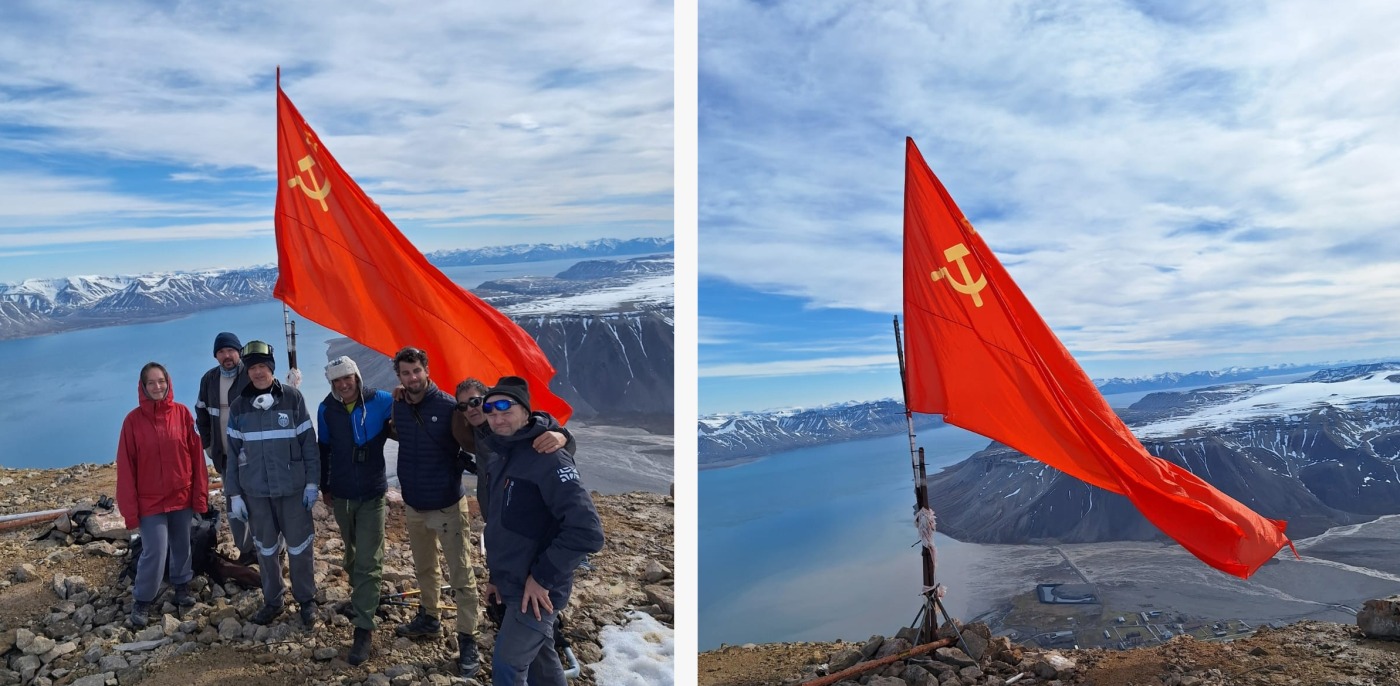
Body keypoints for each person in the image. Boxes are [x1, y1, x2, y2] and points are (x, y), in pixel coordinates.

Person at [479, 376, 603, 686]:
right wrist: (495, 577)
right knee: (541, 663)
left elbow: (587, 531)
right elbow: (503, 526)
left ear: (525, 411)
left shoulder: (548, 456)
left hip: (537, 590)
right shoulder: (501, 456)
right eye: (490, 412)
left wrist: (542, 578)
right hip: (512, 583)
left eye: (506, 410)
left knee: (507, 665)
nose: (497, 419)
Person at [390, 346, 482, 677]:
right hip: (414, 504)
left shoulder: (447, 407)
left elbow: (473, 442)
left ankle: (468, 637)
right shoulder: (399, 404)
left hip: (446, 504)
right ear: (399, 377)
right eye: (405, 373)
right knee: (425, 568)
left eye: (416, 371)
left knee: (461, 573)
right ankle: (429, 617)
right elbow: (397, 432)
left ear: (427, 370)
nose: (412, 378)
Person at [225, 340, 320, 629]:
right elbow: (233, 455)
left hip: (292, 490)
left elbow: (309, 444)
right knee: (265, 549)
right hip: (256, 493)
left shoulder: (292, 399)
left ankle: (306, 600)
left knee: (299, 547)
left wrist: (312, 483)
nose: (257, 372)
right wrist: (234, 495)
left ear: (271, 368)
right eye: (252, 367)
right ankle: (273, 600)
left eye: (262, 367)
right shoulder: (239, 407)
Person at [115, 362, 210, 629]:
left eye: (161, 381)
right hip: (150, 502)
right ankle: (143, 599)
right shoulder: (132, 422)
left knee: (182, 544)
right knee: (155, 551)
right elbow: (126, 469)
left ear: (168, 383)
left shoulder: (182, 414)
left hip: (181, 496)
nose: (157, 387)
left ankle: (181, 586)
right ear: (143, 387)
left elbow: (196, 458)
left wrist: (200, 496)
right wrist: (130, 512)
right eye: (151, 383)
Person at [316, 356, 393, 665]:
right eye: (336, 381)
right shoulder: (326, 409)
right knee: (351, 556)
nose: (343, 385)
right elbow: (323, 449)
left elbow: (409, 415)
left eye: (347, 378)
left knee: (369, 561)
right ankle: (365, 596)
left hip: (373, 494)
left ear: (357, 376)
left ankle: (364, 627)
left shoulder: (382, 400)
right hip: (343, 495)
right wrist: (325, 487)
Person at [450, 378, 573, 522]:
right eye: (463, 406)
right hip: (493, 514)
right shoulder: (475, 430)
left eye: (475, 402)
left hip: (525, 519)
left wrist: (564, 435)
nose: (470, 409)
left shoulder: (511, 427)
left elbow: (536, 426)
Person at [194, 331, 255, 564]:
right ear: (216, 355)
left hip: (253, 456)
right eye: (221, 352)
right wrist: (208, 445)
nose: (226, 355)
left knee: (260, 502)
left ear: (239, 352)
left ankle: (269, 549)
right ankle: (246, 552)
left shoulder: (251, 374)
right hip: (226, 457)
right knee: (234, 507)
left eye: (231, 350)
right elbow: (201, 413)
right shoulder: (209, 380)